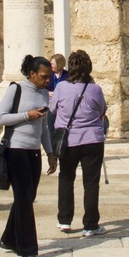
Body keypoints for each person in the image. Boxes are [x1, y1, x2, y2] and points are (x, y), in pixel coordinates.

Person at [0, 55, 57, 257]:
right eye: (44, 76)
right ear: (32, 74)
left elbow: (44, 127)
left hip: (33, 151)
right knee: (23, 200)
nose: (47, 80)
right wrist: (26, 115)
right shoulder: (17, 89)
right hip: (16, 150)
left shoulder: (43, 93)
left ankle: (8, 238)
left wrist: (50, 153)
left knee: (27, 198)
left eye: (49, 77)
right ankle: (28, 249)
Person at [50, 50, 108, 237]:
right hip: (92, 140)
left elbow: (52, 108)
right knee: (91, 183)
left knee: (66, 178)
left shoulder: (61, 88)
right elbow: (102, 109)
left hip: (68, 140)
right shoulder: (95, 89)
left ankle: (64, 220)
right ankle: (90, 224)